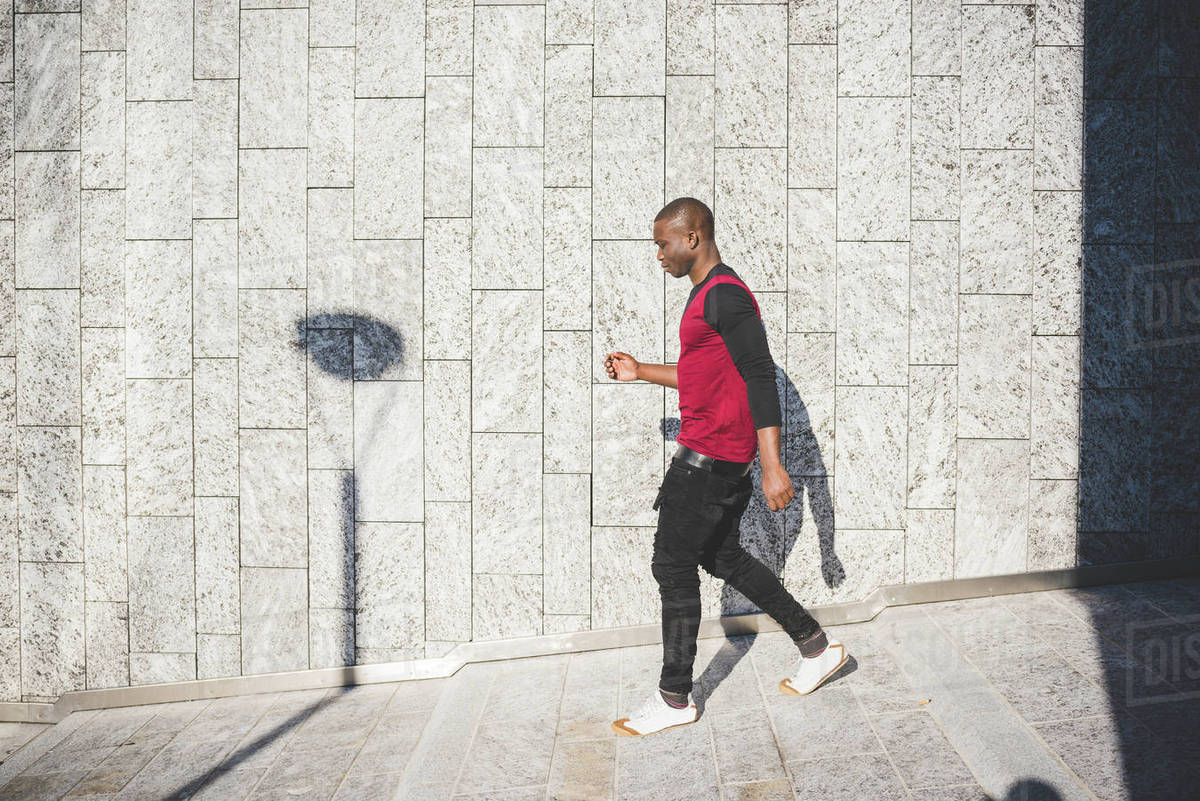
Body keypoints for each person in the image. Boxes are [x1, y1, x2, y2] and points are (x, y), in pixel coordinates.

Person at [605, 197, 849, 737]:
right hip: (715, 459)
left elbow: (760, 376)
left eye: (663, 244)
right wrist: (640, 371)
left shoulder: (725, 296)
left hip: (707, 464)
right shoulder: (705, 297)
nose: (659, 255)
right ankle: (816, 647)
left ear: (692, 238)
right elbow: (702, 376)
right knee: (724, 558)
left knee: (673, 568)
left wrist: (773, 466)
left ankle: (674, 698)